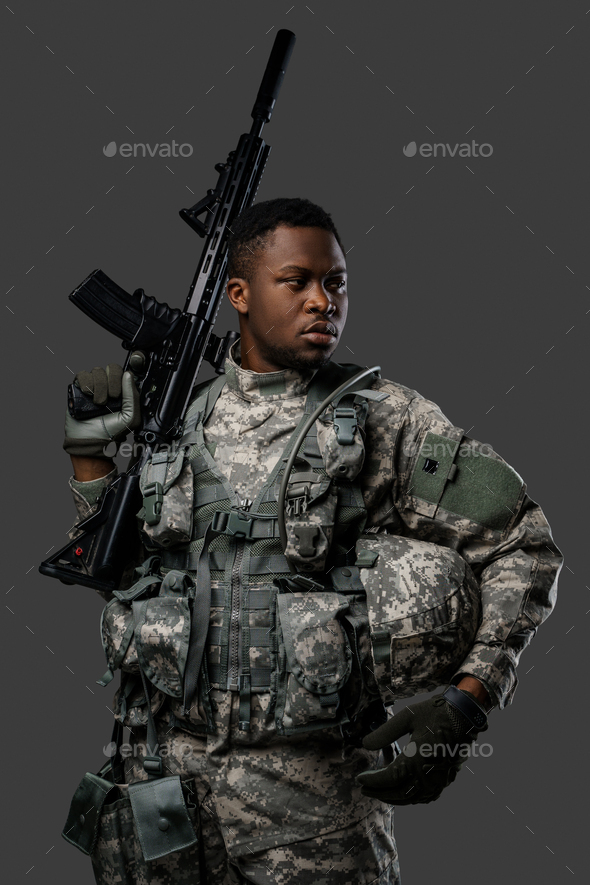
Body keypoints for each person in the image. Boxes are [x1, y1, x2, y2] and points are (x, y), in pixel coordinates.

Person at [63, 197, 562, 884]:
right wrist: (89, 457)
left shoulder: (385, 420)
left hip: (314, 819)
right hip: (163, 798)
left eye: (336, 283)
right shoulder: (175, 421)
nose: (322, 301)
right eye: (296, 281)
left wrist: (467, 701)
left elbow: (523, 545)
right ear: (238, 293)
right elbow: (122, 577)